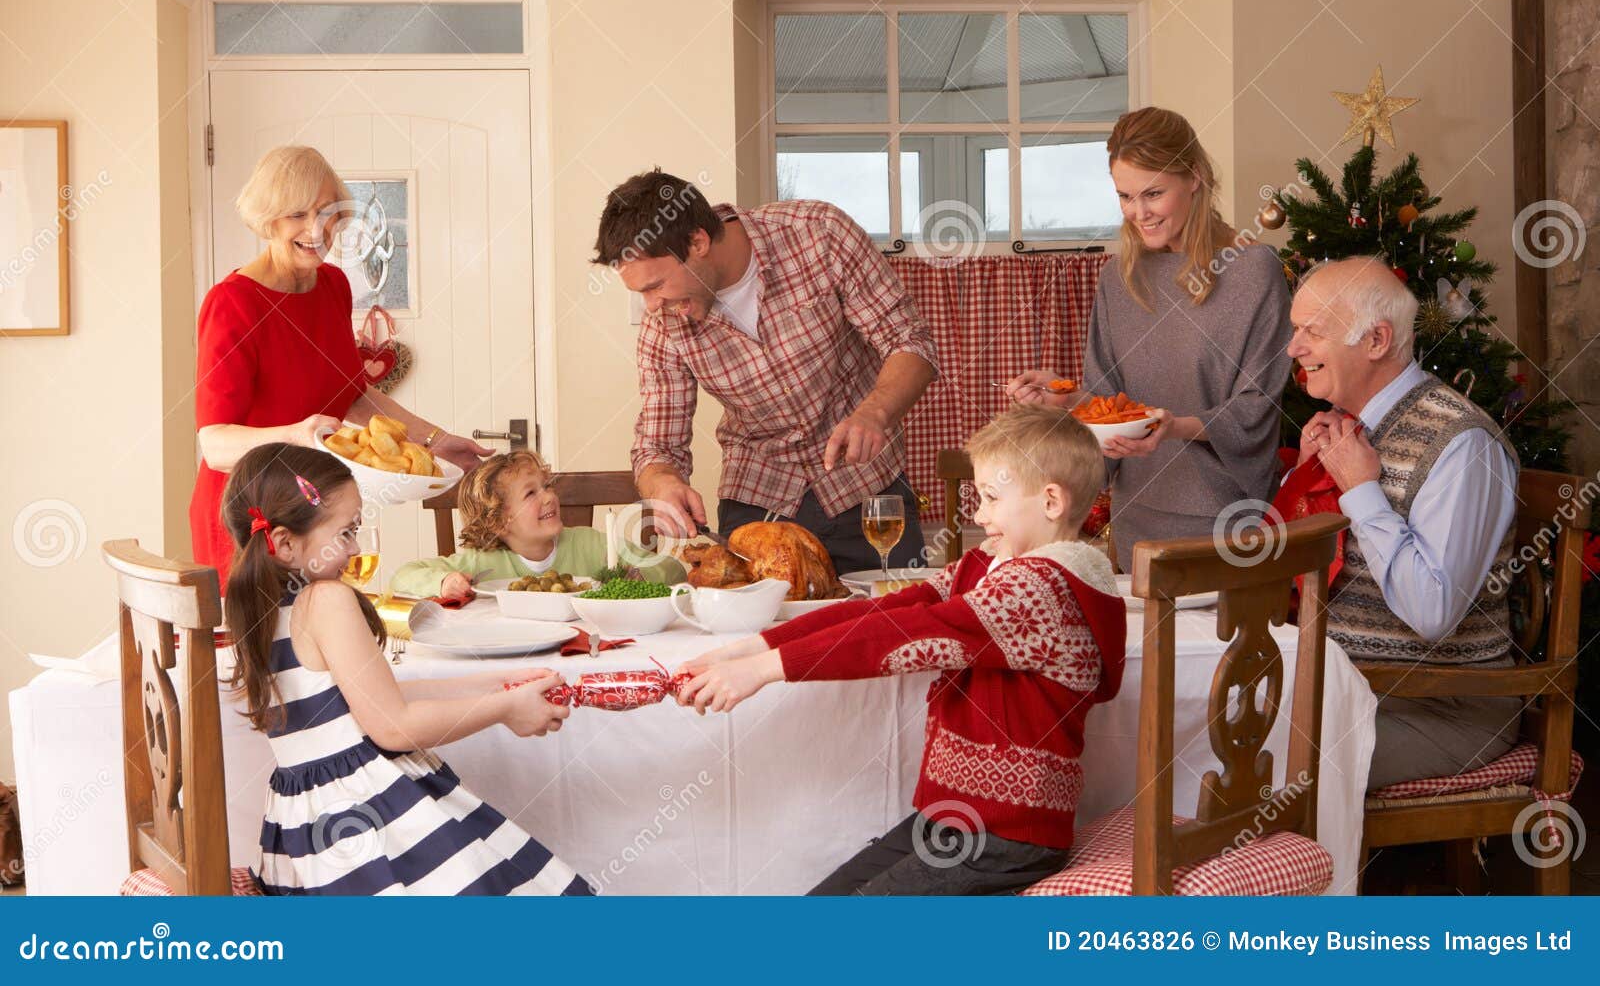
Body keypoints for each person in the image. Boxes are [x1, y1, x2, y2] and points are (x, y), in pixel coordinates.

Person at [676, 405, 1126, 894]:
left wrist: (766, 669)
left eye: (992, 499)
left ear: (1052, 501)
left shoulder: (1040, 589)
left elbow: (907, 634)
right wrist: (753, 646)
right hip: (951, 819)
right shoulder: (985, 564)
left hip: (1006, 838)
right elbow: (883, 613)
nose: (979, 515)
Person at [222, 443, 590, 895]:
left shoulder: (258, 611)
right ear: (284, 543)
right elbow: (394, 727)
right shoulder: (325, 601)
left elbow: (378, 698)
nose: (356, 548)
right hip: (371, 825)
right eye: (346, 532)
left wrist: (496, 684)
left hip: (306, 839)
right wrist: (504, 710)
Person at [594, 169, 940, 575]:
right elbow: (657, 446)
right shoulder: (664, 324)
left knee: (897, 623)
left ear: (698, 242)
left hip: (867, 492)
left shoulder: (819, 235)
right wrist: (662, 484)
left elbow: (910, 341)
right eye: (641, 294)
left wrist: (875, 412)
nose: (651, 306)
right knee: (763, 634)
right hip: (759, 503)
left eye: (655, 285)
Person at [191, 146, 491, 584]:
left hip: (315, 510)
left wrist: (436, 441)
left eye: (328, 211)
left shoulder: (332, 286)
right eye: (297, 214)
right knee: (269, 648)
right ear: (268, 218)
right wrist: (297, 436)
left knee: (323, 640)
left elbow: (352, 393)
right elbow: (215, 445)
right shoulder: (232, 303)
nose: (318, 229)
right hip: (248, 518)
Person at [1009, 107, 1292, 567]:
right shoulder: (1118, 278)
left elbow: (1258, 405)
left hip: (1225, 521)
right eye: (1125, 196)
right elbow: (1108, 400)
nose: (1138, 213)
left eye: (1153, 193)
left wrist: (1174, 427)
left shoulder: (1252, 270)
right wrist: (1069, 400)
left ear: (1195, 177)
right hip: (1136, 515)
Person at [1287, 257, 1521, 789]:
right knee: (1202, 731)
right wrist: (1302, 481)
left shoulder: (1462, 444)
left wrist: (1363, 492)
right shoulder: (1344, 431)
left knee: (1260, 767)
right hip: (1347, 689)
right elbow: (1296, 577)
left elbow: (1433, 612)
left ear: (1375, 341)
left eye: (1312, 332)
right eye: (1295, 330)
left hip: (1442, 708)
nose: (1293, 349)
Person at [390, 450, 685, 600]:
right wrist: (443, 582)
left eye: (546, 486)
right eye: (531, 493)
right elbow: (402, 577)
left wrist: (637, 575)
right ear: (497, 522)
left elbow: (674, 570)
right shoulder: (481, 562)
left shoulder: (593, 544)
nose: (549, 497)